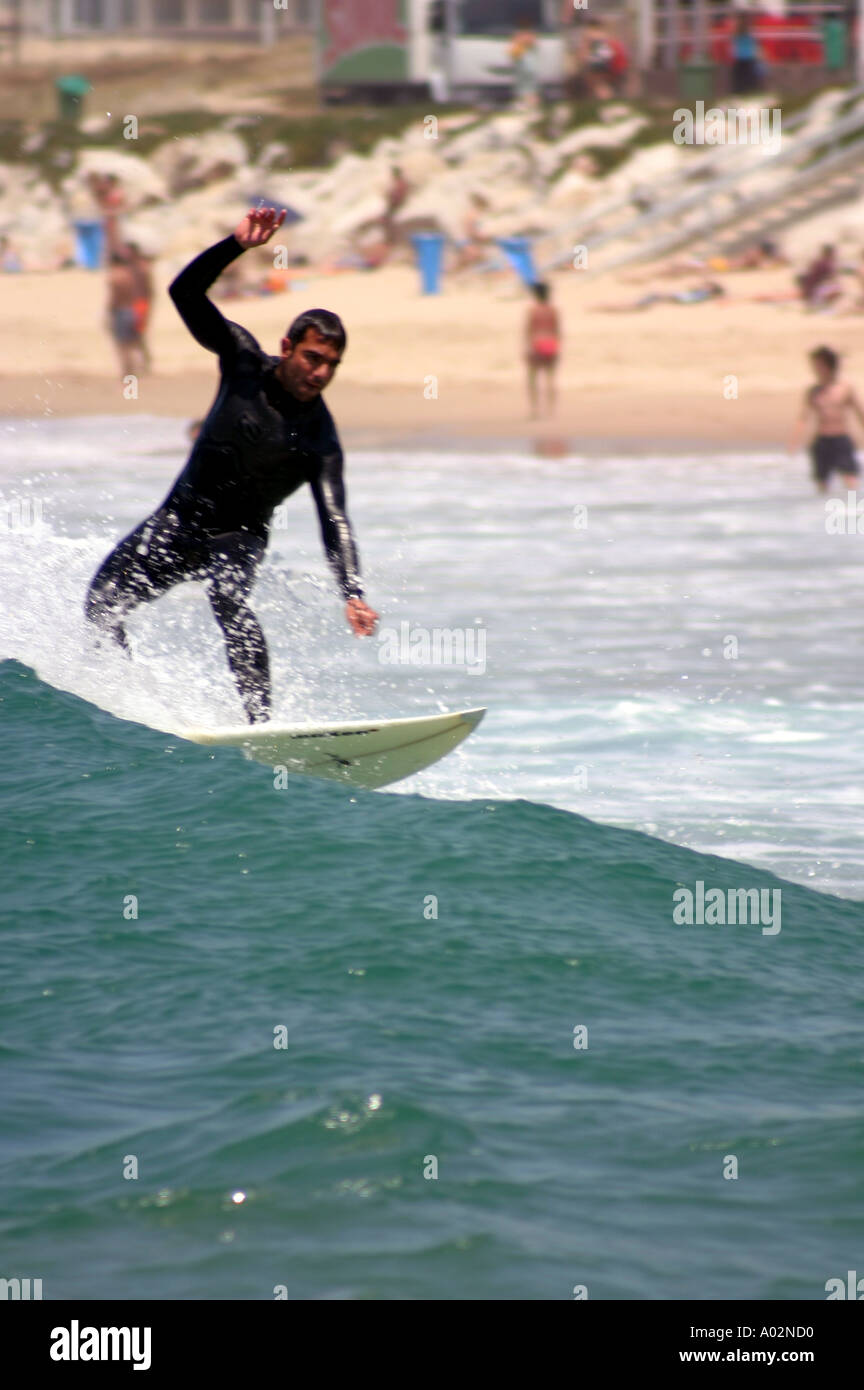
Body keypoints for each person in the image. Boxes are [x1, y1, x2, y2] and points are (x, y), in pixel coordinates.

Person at [86, 206, 379, 724]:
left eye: (331, 364)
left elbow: (334, 520)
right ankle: (120, 703)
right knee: (102, 602)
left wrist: (352, 592)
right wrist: (235, 246)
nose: (321, 373)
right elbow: (183, 294)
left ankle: (260, 724)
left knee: (228, 600)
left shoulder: (320, 440)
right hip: (177, 520)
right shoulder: (242, 361)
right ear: (288, 348)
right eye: (313, 358)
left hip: (238, 536)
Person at [790, 345, 864, 493]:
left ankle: (854, 512)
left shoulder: (844, 388)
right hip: (821, 441)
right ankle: (822, 514)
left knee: (851, 480)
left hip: (841, 439)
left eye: (818, 365)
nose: (815, 369)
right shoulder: (813, 391)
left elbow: (859, 413)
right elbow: (803, 418)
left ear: (829, 365)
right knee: (822, 486)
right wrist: (794, 441)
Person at [525, 281, 561, 419]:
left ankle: (535, 410)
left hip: (537, 343)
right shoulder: (553, 310)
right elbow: (557, 330)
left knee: (533, 378)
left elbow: (529, 330)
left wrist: (527, 347)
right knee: (550, 378)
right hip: (551, 343)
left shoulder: (534, 311)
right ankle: (551, 411)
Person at [730, 13, 764, 95]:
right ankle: (747, 91)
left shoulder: (738, 32)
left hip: (742, 58)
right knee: (747, 78)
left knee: (742, 78)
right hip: (746, 58)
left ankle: (741, 91)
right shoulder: (748, 32)